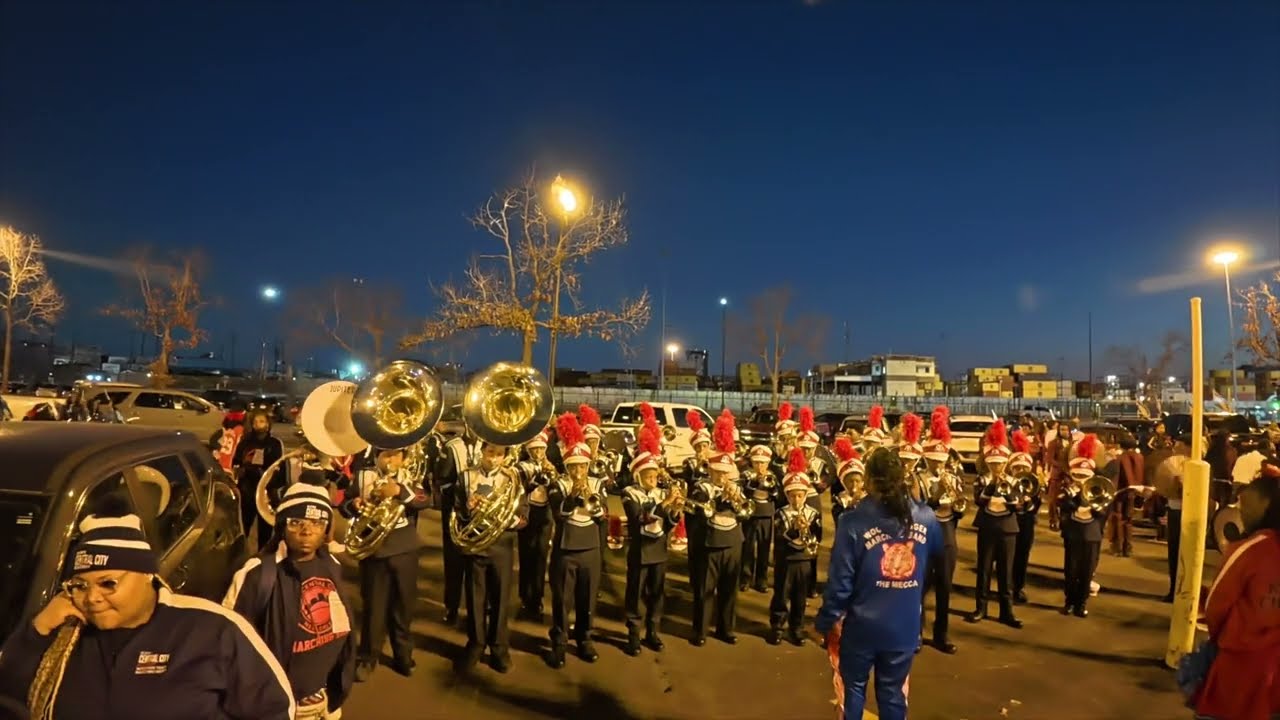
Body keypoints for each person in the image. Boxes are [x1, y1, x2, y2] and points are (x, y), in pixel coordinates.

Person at [0, 508, 295, 719]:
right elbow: (10, 695)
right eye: (79, 585)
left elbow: (274, 707)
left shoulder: (211, 628)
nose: (92, 598)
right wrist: (36, 631)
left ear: (146, 574)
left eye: (108, 583)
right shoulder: (66, 637)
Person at [815, 447, 944, 720]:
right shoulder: (926, 518)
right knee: (893, 695)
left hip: (861, 627)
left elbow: (840, 584)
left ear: (870, 479)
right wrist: (913, 598)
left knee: (854, 692)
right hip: (904, 626)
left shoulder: (852, 521)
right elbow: (935, 566)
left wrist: (824, 623)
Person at [224, 483, 355, 719]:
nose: (306, 530)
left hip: (326, 701)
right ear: (282, 527)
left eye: (316, 522)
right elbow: (229, 640)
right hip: (280, 705)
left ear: (326, 528)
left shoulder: (332, 567)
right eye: (296, 522)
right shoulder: (257, 575)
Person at [1191, 467, 1280, 720]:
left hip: (1239, 668)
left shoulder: (1250, 549)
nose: (1240, 512)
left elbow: (1216, 607)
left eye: (1244, 506)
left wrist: (1225, 638)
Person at [340, 445, 429, 681]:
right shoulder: (363, 476)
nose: (391, 459)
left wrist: (399, 490)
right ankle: (368, 657)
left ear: (403, 458)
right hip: (374, 551)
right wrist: (355, 505)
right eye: (386, 455)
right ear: (377, 457)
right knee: (374, 607)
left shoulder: (411, 476)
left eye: (396, 455)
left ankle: (403, 654)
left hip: (404, 549)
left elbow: (425, 499)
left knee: (403, 606)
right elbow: (344, 506)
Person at [454, 437, 529, 674]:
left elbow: (524, 516)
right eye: (489, 451)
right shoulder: (466, 476)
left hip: (501, 547)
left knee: (500, 600)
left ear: (505, 456)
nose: (492, 457)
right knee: (475, 599)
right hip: (475, 546)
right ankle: (475, 644)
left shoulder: (513, 479)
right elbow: (456, 511)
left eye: (498, 453)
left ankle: (499, 647)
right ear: (482, 451)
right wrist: (469, 507)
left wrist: (505, 517)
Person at [546, 413, 607, 667]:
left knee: (587, 598)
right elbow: (558, 513)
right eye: (574, 467)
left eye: (582, 466)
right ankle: (559, 643)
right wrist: (572, 495)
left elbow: (602, 515)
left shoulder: (597, 483)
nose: (579, 471)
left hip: (590, 548)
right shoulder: (558, 484)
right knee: (562, 600)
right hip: (566, 548)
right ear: (567, 467)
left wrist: (591, 496)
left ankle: (584, 639)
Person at [687, 410, 750, 646]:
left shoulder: (735, 487)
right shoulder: (702, 487)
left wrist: (736, 498)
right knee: (705, 589)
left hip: (733, 541)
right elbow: (703, 511)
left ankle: (726, 628)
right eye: (719, 472)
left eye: (726, 472)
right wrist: (724, 499)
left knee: (729, 590)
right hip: (711, 542)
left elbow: (746, 512)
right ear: (711, 470)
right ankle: (700, 630)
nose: (723, 476)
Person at [620, 426, 681, 655]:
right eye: (649, 476)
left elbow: (669, 523)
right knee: (635, 593)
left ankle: (653, 630)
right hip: (640, 551)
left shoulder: (659, 494)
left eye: (655, 476)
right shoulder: (629, 493)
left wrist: (675, 510)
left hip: (659, 550)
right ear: (639, 476)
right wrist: (665, 505)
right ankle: (633, 633)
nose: (654, 480)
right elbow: (640, 518)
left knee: (657, 593)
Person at [967, 420, 1023, 628]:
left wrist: (1008, 491)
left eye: (1000, 463)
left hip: (1008, 529)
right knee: (983, 569)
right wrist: (992, 484)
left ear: (1006, 463)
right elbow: (979, 501)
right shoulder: (981, 480)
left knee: (1006, 572)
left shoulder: (1014, 481)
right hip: (988, 527)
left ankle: (1006, 611)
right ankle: (980, 608)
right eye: (993, 463)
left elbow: (1018, 506)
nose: (997, 467)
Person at [770, 448, 821, 646]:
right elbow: (782, 537)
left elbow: (817, 536)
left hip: (804, 560)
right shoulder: (781, 513)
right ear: (787, 495)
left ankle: (796, 628)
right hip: (786, 559)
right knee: (781, 594)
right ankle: (777, 626)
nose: (797, 500)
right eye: (793, 496)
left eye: (800, 495)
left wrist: (808, 530)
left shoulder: (813, 513)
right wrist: (795, 528)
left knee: (800, 597)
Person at [920, 406, 959, 654]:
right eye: (935, 461)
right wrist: (935, 499)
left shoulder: (953, 478)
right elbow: (915, 507)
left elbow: (960, 510)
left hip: (946, 537)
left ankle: (941, 635)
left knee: (945, 590)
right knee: (920, 589)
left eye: (942, 461)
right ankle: (915, 633)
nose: (939, 465)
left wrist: (956, 504)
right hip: (924, 537)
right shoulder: (918, 480)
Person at [1056, 435, 1105, 618]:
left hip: (1091, 535)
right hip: (1073, 534)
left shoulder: (1099, 490)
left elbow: (1101, 513)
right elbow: (1064, 506)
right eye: (1078, 476)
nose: (1081, 479)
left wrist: (1092, 500)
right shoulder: (1068, 490)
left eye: (1085, 476)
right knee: (1071, 570)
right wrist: (1077, 496)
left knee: (1087, 571)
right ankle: (1069, 602)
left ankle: (1081, 603)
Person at [517, 428, 557, 621]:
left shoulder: (550, 464)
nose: (539, 453)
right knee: (526, 553)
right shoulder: (522, 466)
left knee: (541, 554)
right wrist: (535, 480)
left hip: (544, 513)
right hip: (528, 512)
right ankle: (525, 593)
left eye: (542, 449)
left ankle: (537, 596)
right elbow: (519, 488)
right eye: (535, 450)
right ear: (529, 450)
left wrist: (553, 475)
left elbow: (557, 490)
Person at [438, 433, 476, 624]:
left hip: (482, 518)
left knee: (477, 565)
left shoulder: (494, 446)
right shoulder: (452, 446)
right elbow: (442, 481)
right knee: (454, 562)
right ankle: (451, 606)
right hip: (456, 513)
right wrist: (464, 491)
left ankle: (477, 608)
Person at [235, 409, 286, 548]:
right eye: (255, 422)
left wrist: (273, 486)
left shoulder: (275, 443)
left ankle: (263, 555)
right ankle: (241, 553)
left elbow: (279, 466)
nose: (259, 424)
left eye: (262, 421)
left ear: (268, 424)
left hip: (266, 490)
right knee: (244, 523)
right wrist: (241, 470)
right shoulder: (245, 442)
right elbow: (237, 461)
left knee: (265, 527)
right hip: (247, 489)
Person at [799, 406, 833, 598]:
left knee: (814, 541)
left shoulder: (820, 462)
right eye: (803, 448)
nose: (806, 452)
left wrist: (822, 484)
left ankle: (811, 583)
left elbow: (831, 476)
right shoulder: (794, 459)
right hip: (798, 501)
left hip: (813, 499)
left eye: (810, 449)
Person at [1156, 435, 1193, 602]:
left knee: (1183, 553)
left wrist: (1181, 484)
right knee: (1174, 553)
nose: (1175, 448)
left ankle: (1183, 590)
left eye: (1179, 445)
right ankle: (1174, 589)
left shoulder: (1196, 467)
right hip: (1174, 510)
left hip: (1185, 513)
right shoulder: (1175, 463)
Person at [739, 444, 777, 593]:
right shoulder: (746, 475)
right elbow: (744, 493)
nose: (760, 465)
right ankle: (745, 578)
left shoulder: (772, 476)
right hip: (751, 513)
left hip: (766, 514)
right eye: (757, 462)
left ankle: (762, 579)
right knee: (748, 547)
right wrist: (755, 481)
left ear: (767, 463)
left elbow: (776, 495)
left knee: (764, 548)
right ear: (752, 462)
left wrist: (767, 483)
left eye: (763, 462)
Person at [1008, 430, 1039, 605]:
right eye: (1017, 468)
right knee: (1007, 558)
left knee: (1022, 556)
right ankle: (1007, 587)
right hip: (1010, 523)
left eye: (1024, 468)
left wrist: (1028, 503)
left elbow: (1036, 505)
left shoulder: (1033, 482)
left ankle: (1019, 587)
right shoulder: (1007, 482)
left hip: (1026, 523)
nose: (1020, 471)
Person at [1108, 436, 1145, 556]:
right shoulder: (1140, 457)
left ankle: (1118, 546)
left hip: (1120, 491)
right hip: (1133, 492)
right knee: (1128, 519)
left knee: (1117, 517)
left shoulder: (1119, 458)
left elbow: (1116, 476)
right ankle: (1128, 547)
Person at [831, 437, 866, 526]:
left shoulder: (869, 498)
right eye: (850, 481)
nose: (854, 485)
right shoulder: (839, 502)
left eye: (857, 481)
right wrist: (851, 506)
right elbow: (840, 522)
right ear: (843, 482)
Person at [210, 404, 246, 473]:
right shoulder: (241, 430)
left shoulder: (225, 430)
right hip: (230, 465)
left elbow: (213, 440)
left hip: (222, 463)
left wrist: (217, 449)